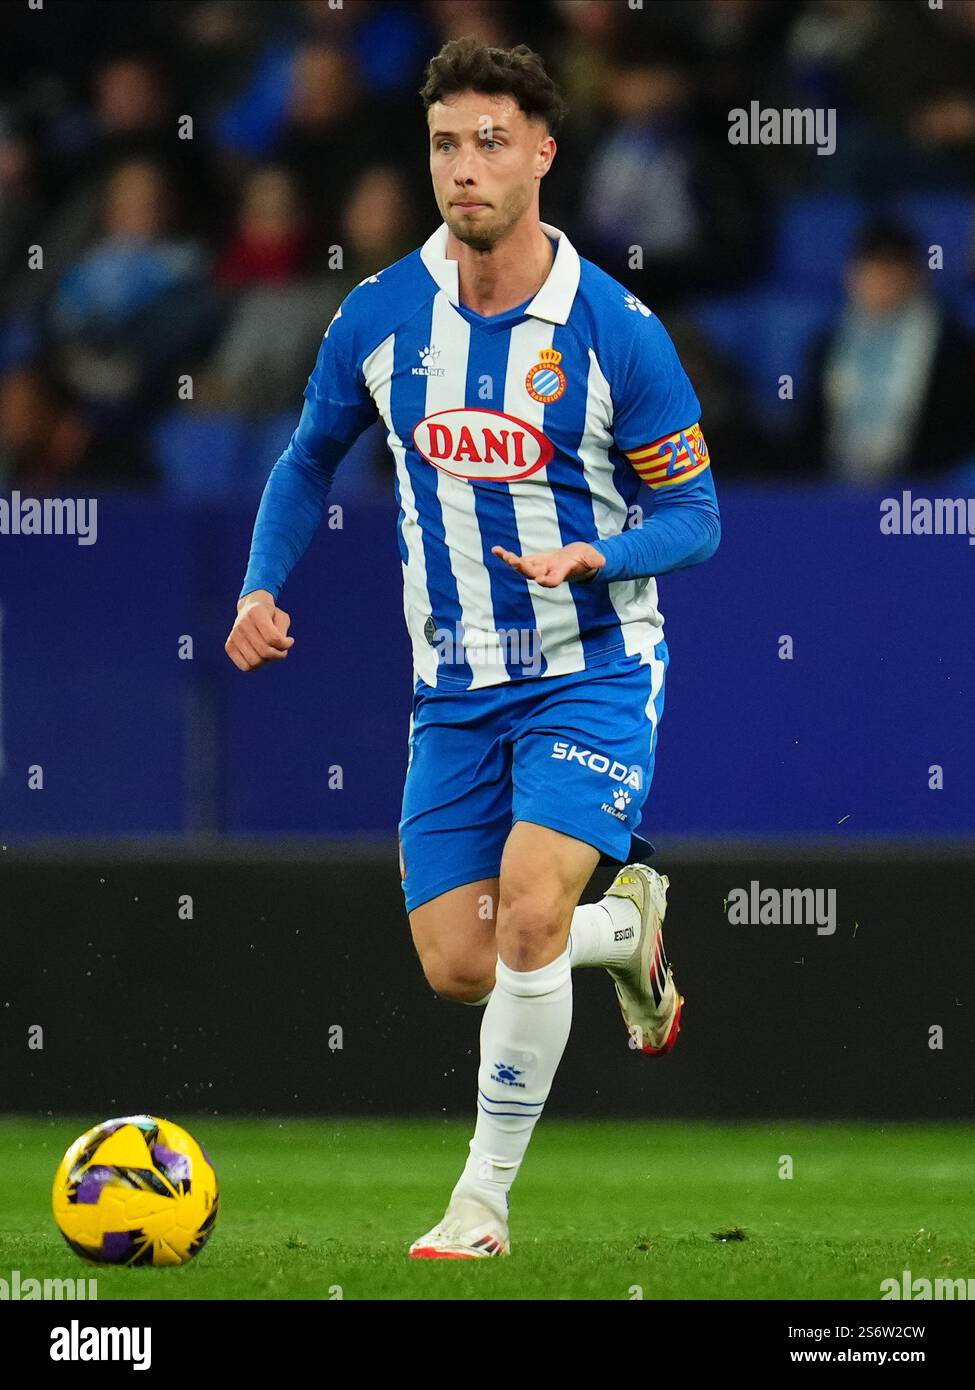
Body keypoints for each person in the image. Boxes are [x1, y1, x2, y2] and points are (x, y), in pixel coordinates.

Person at [225, 37, 720, 1259]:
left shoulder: (616, 331)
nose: (465, 166)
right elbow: (306, 460)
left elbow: (698, 519)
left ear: (542, 154)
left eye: (491, 140)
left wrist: (599, 556)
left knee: (529, 920)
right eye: (446, 143)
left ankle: (479, 1205)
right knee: (461, 961)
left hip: (594, 669)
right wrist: (259, 585)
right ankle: (631, 934)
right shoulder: (380, 315)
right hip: (452, 691)